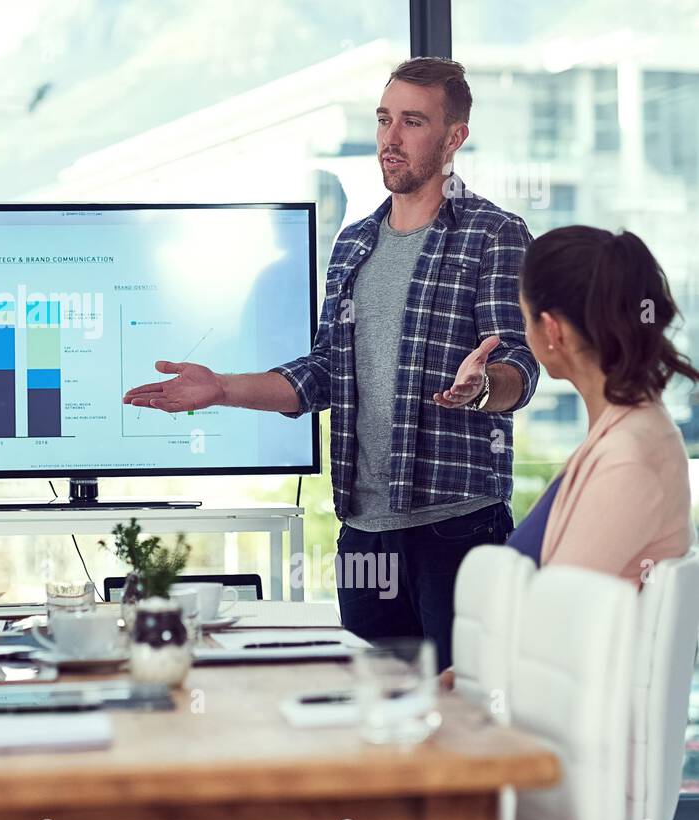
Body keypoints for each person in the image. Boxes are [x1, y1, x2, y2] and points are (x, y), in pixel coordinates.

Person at [123, 57, 540, 670]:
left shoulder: (495, 235)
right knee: (373, 715)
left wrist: (482, 389)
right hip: (364, 528)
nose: (390, 139)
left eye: (413, 122)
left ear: (454, 137)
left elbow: (521, 371)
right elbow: (323, 372)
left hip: (458, 528)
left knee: (460, 716)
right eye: (383, 119)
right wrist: (220, 390)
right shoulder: (353, 245)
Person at [507, 226, 696, 580]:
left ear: (552, 330)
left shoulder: (628, 455)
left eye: (524, 315)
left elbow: (558, 613)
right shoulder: (630, 427)